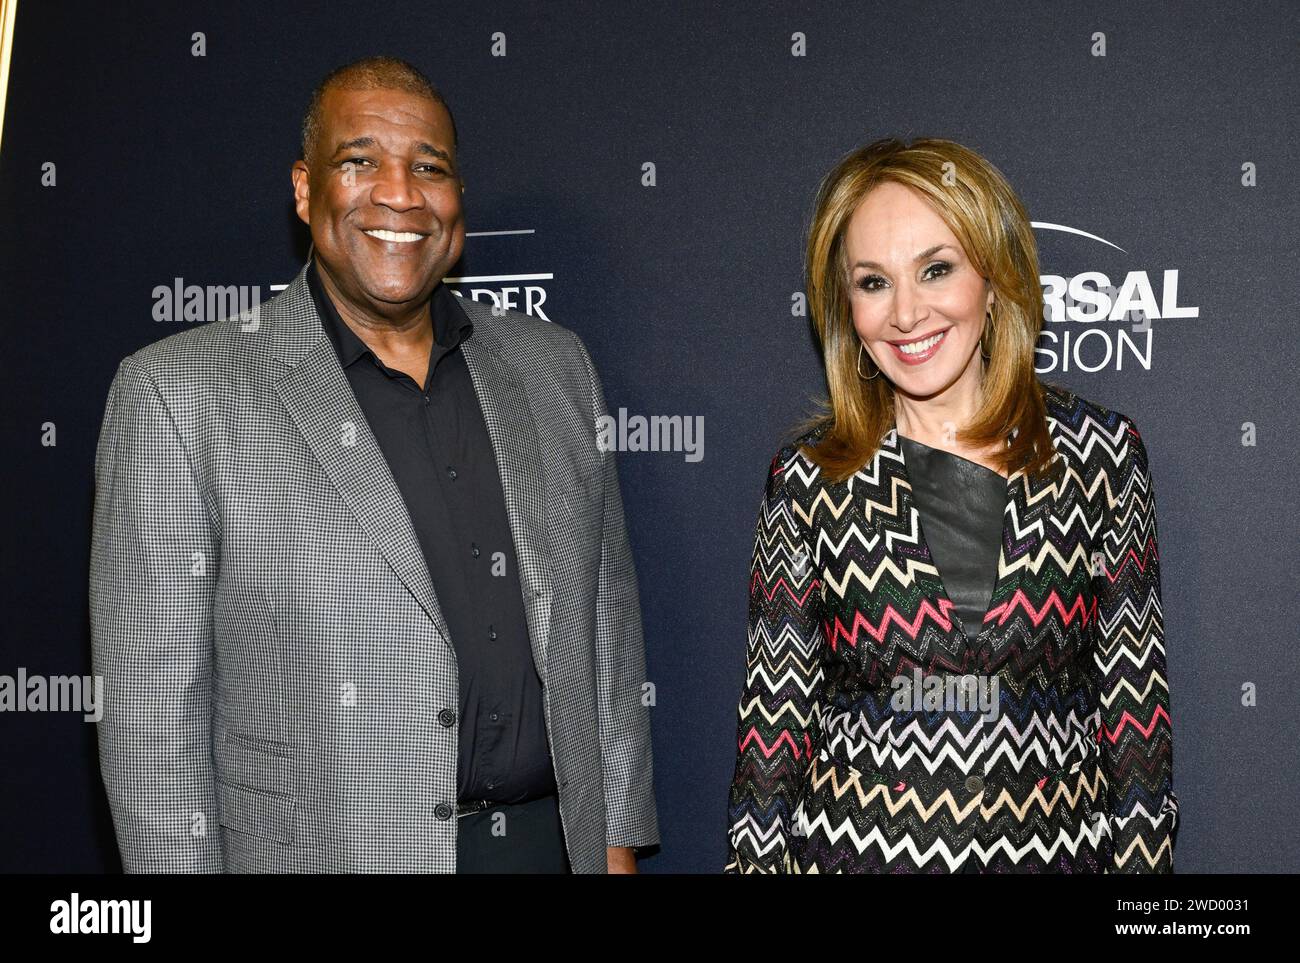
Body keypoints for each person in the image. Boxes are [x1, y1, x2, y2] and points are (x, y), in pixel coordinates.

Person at [89, 56, 658, 873]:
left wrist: (615, 845)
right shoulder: (178, 394)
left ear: (458, 200)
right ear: (303, 188)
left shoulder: (555, 365)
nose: (400, 193)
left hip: (546, 847)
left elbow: (607, 626)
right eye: (360, 162)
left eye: (429, 167)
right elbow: (151, 721)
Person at [724, 137, 1178, 873]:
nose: (906, 313)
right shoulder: (809, 478)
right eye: (873, 282)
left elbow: (1135, 722)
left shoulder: (1099, 455)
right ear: (845, 306)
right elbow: (772, 730)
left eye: (936, 269)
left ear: (995, 278)